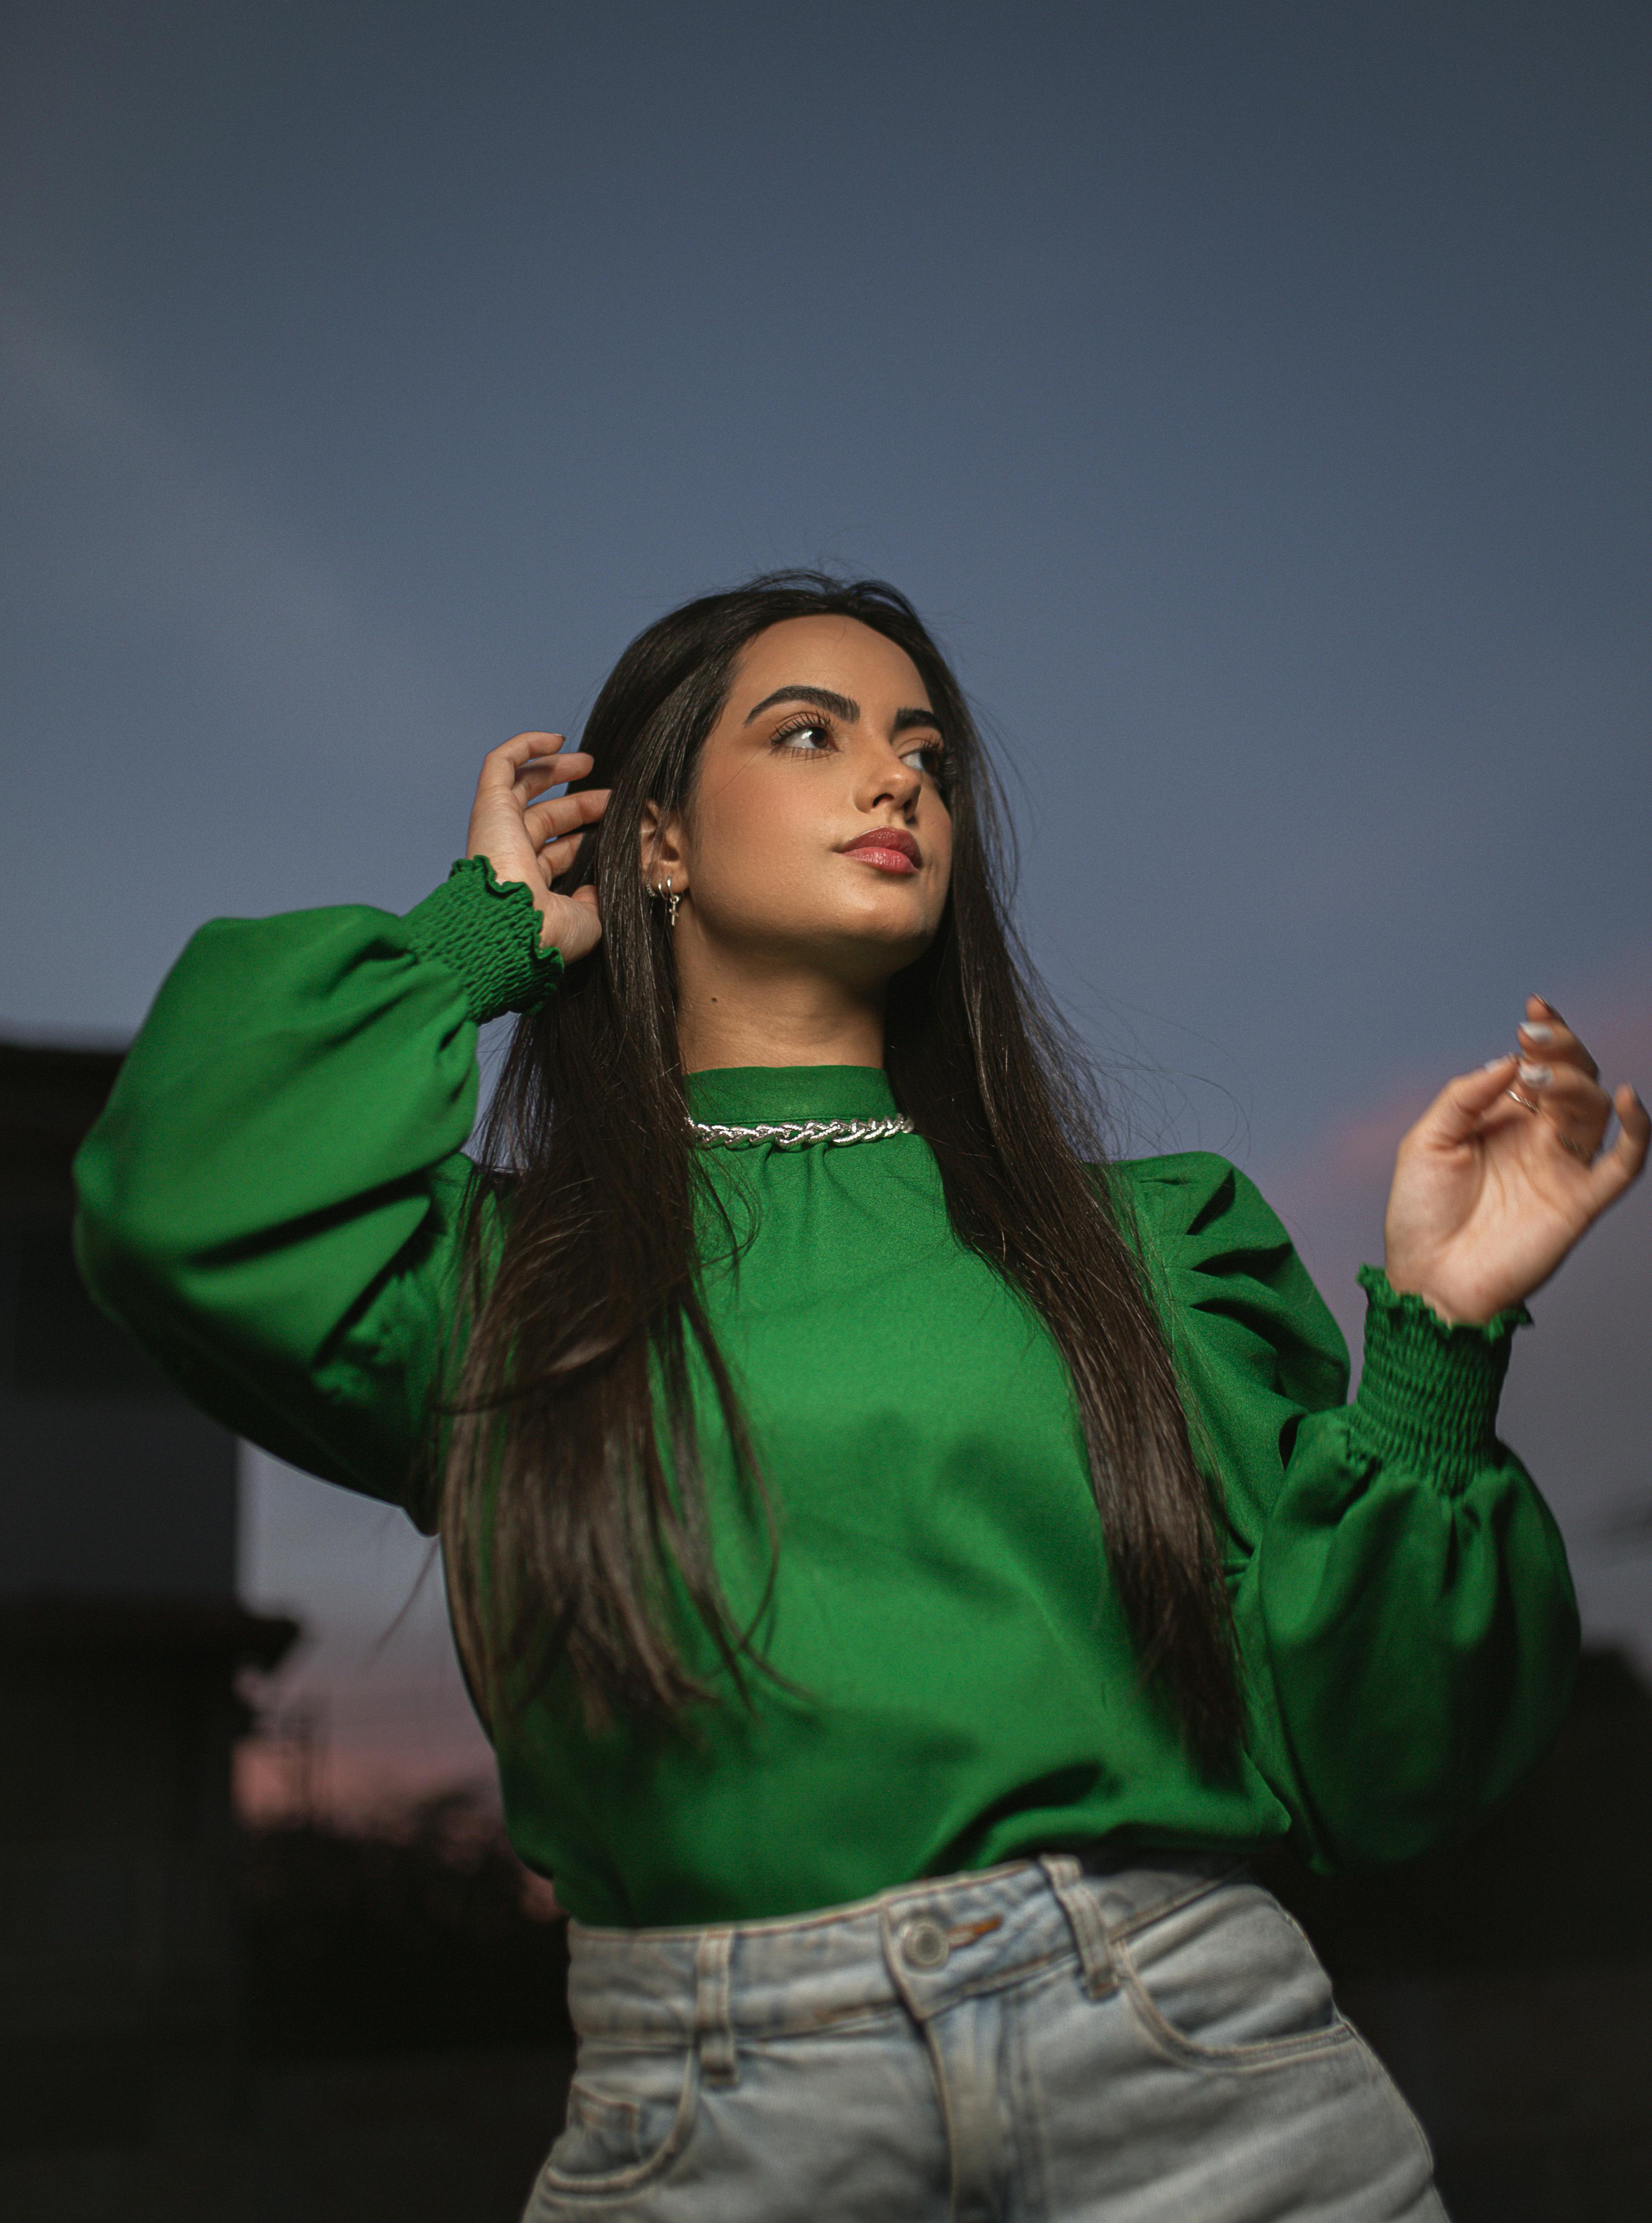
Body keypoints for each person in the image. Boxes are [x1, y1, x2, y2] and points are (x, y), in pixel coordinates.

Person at [75, 572, 1646, 2222]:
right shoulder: (496, 1280)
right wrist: (480, 935)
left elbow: (1372, 1760)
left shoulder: (1147, 1249)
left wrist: (1436, 1353)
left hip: (1195, 2071)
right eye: (809, 733)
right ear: (655, 839)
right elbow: (172, 1197)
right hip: (714, 2123)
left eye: (926, 753)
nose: (896, 779)